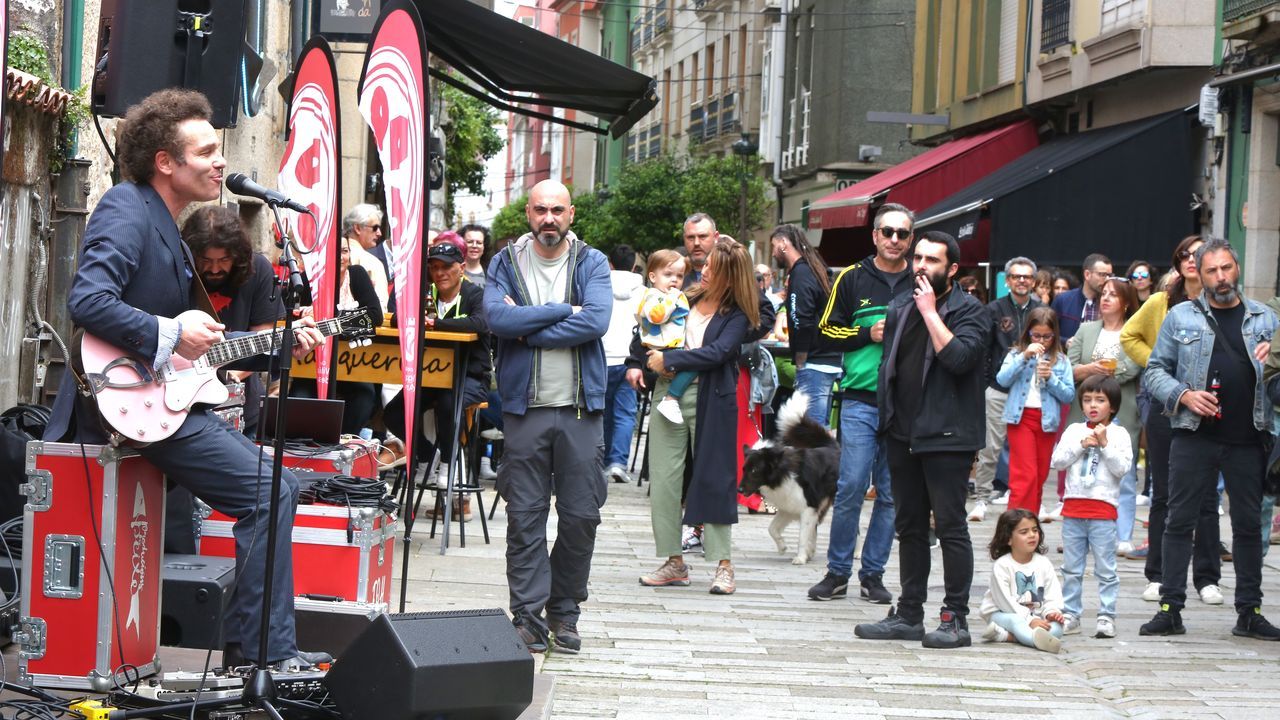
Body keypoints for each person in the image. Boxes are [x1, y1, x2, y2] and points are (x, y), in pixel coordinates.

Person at [43, 89, 326, 669]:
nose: (221, 162)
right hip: (123, 402)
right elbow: (88, 300)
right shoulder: (127, 208)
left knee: (270, 490)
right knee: (270, 492)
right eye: (206, 151)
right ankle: (265, 657)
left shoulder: (169, 225)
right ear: (165, 162)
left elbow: (197, 349)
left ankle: (259, 654)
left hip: (162, 399)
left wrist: (280, 345)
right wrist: (169, 333)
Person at [484, 179, 612, 654]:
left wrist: (531, 326)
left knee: (581, 516)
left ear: (571, 214)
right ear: (528, 214)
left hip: (581, 410)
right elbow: (497, 320)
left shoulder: (592, 262)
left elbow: (596, 321)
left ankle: (565, 612)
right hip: (524, 409)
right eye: (541, 210)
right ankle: (528, 615)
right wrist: (562, 311)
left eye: (557, 210)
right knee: (525, 517)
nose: (549, 219)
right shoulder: (504, 262)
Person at [1139, 238, 1280, 640]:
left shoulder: (1265, 319)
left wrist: (1274, 358)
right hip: (1193, 434)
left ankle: (1249, 612)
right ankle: (1171, 607)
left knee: (1249, 526)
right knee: (1180, 521)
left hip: (1249, 437)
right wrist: (1183, 394)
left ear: (1238, 268)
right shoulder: (1181, 317)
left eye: (1227, 268)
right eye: (1212, 270)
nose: (1221, 277)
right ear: (1198, 275)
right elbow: (1155, 371)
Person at [854, 230, 989, 649]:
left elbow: (959, 359)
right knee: (909, 526)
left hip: (947, 435)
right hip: (902, 431)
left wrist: (930, 312)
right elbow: (891, 367)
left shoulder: (971, 312)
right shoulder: (899, 307)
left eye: (932, 261)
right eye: (918, 259)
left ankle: (955, 618)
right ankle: (910, 613)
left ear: (952, 270)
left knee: (950, 527)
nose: (921, 267)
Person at [631, 238, 761, 596]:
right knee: (665, 479)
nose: (702, 273)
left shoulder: (737, 314)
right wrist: (637, 361)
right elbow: (645, 331)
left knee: (715, 479)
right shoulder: (684, 298)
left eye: (712, 269)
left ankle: (723, 565)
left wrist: (671, 360)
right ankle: (674, 561)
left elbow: (718, 352)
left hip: (713, 397)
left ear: (729, 276)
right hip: (667, 394)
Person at [806, 203, 913, 604]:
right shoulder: (851, 277)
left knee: (889, 492)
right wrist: (867, 332)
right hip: (860, 398)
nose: (894, 240)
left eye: (902, 234)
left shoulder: (919, 280)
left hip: (904, 401)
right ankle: (837, 572)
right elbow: (826, 331)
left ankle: (873, 574)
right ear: (875, 236)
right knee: (851, 485)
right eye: (888, 232)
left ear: (910, 239)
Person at [164, 206, 284, 556]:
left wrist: (229, 374)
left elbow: (265, 335)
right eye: (207, 260)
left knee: (256, 496)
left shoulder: (258, 270)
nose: (215, 269)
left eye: (223, 261)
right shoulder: (178, 272)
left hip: (235, 402)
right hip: (175, 403)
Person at [1121, 235, 1223, 604]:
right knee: (1164, 491)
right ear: (1178, 262)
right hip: (1168, 405)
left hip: (1210, 405)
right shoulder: (1162, 302)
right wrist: (1159, 367)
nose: (1191, 260)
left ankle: (1208, 577)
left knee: (1208, 493)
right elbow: (1130, 335)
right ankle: (1158, 573)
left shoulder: (1221, 302)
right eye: (1185, 254)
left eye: (1199, 254)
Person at [382, 241, 489, 510]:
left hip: (471, 377)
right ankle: (428, 455)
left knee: (447, 399)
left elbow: (480, 323)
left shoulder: (475, 294)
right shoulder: (425, 292)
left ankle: (447, 464)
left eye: (446, 267)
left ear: (461, 268)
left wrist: (436, 324)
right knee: (393, 413)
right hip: (430, 376)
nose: (440, 273)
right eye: (434, 267)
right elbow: (397, 317)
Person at [1050, 375, 1131, 639]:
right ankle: (1071, 612)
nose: (1092, 405)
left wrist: (1105, 445)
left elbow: (1122, 469)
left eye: (1100, 400)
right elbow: (1058, 462)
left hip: (1103, 512)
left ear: (1113, 406)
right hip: (1073, 510)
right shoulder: (1074, 430)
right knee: (1071, 567)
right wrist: (1080, 445)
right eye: (1087, 400)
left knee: (1106, 568)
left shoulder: (1119, 434)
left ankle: (1107, 615)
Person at [1067, 278, 1142, 555]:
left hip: (1122, 409)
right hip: (1084, 410)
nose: (1106, 298)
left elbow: (1134, 366)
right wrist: (1089, 369)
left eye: (1114, 294)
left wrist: (1106, 371)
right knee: (1081, 468)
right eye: (1104, 294)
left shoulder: (1134, 330)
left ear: (1125, 302)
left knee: (1124, 472)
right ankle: (1079, 532)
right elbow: (1070, 367)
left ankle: (1123, 535)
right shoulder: (1086, 329)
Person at [969, 257, 1043, 522]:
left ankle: (1032, 499)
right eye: (1016, 276)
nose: (1022, 280)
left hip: (1032, 390)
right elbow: (984, 349)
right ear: (1007, 280)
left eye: (1027, 277)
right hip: (999, 388)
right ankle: (981, 498)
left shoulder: (1041, 310)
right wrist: (988, 382)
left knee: (1030, 448)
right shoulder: (993, 309)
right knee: (991, 447)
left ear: (1033, 281)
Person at [996, 307, 1075, 515]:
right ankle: (1014, 528)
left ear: (1054, 335)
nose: (1041, 341)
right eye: (1036, 335)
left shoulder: (1062, 360)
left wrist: (1051, 378)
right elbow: (1002, 379)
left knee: (1039, 477)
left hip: (1047, 422)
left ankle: (1030, 527)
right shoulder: (1016, 354)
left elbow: (1068, 395)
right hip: (1020, 419)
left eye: (1047, 336)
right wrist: (1024, 356)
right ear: (1028, 333)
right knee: (1025, 476)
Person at [771, 224, 841, 426]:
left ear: (784, 243)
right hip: (828, 359)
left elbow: (801, 318)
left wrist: (800, 360)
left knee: (812, 432)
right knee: (820, 428)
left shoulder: (801, 273)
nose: (774, 253)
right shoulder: (814, 269)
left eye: (774, 246)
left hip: (814, 362)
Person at [977, 509, 1066, 654]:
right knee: (1015, 622)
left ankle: (1009, 637)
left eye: (1035, 530)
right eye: (1024, 532)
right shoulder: (1002, 565)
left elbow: (1052, 594)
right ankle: (1035, 640)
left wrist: (1051, 612)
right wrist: (1029, 620)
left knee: (1057, 626)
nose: (1032, 535)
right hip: (1002, 614)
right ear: (1008, 539)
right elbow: (1004, 602)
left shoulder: (1044, 563)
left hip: (1036, 616)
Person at [636, 250, 695, 425]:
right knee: (692, 366)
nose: (674, 280)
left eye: (679, 275)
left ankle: (672, 399)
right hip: (664, 348)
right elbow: (656, 315)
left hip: (669, 346)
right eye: (668, 274)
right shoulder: (653, 296)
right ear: (653, 277)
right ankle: (671, 400)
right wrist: (672, 298)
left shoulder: (667, 296)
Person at [602, 244, 644, 483]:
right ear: (634, 265)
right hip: (631, 361)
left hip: (602, 358)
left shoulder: (599, 286)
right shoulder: (642, 291)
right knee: (626, 413)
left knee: (603, 412)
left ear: (610, 264)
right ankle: (618, 462)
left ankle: (602, 459)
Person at [340, 203, 391, 312]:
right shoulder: (373, 263)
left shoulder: (326, 258)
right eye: (375, 228)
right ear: (357, 228)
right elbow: (381, 310)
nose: (379, 233)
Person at [1051, 253, 1112, 340]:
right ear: (1087, 275)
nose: (1107, 279)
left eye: (1109, 275)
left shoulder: (1110, 302)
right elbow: (1049, 334)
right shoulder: (1063, 300)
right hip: (1068, 352)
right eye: (1102, 275)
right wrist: (1066, 342)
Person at [681, 213, 717, 288]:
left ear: (716, 237)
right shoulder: (673, 275)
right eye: (690, 237)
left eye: (702, 236)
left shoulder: (729, 274)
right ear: (684, 239)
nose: (696, 243)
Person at [460, 222, 491, 288]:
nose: (474, 246)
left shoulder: (492, 272)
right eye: (470, 242)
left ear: (484, 246)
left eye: (479, 243)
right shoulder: (455, 271)